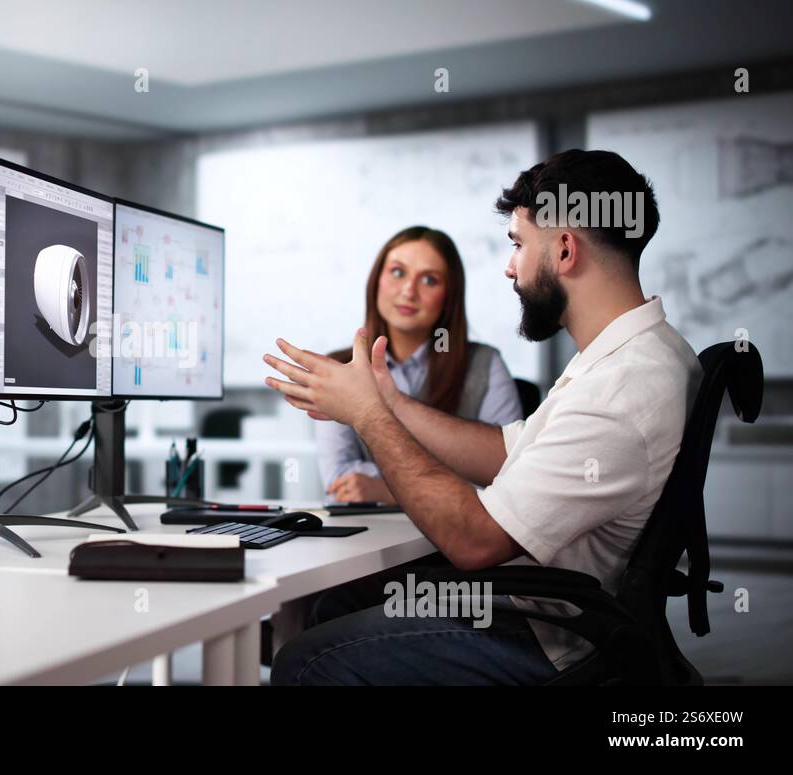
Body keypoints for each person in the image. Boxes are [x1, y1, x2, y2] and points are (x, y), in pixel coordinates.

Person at [264, 149, 702, 685]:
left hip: (548, 629)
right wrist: (390, 402)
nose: (510, 265)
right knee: (336, 603)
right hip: (543, 600)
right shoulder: (627, 356)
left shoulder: (622, 388)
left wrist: (369, 418)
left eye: (518, 244)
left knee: (304, 659)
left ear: (564, 250)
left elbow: (475, 541)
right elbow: (503, 451)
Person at [316, 226, 522, 505]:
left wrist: (389, 490)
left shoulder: (484, 364)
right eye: (398, 273)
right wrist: (453, 479)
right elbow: (339, 478)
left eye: (429, 280)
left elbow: (509, 475)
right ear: (377, 281)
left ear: (449, 296)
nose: (409, 291)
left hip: (462, 534)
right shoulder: (343, 366)